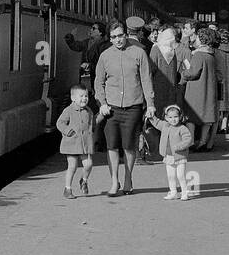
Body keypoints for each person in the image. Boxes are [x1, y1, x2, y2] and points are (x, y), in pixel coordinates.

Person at [94, 22, 156, 197]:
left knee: (129, 147)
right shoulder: (105, 56)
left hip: (133, 107)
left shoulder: (139, 53)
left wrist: (150, 104)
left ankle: (128, 178)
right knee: (112, 147)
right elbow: (98, 82)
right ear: (110, 38)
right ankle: (114, 181)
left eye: (120, 35)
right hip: (111, 109)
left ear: (126, 34)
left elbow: (146, 79)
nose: (118, 40)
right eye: (113, 37)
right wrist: (102, 103)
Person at [181, 25, 220, 151]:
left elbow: (193, 73)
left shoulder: (198, 55)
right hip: (209, 89)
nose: (195, 40)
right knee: (207, 118)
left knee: (191, 117)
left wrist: (184, 73)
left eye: (197, 38)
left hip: (196, 90)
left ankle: (191, 141)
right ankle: (203, 141)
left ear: (202, 40)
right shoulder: (211, 55)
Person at [55, 85, 96, 198]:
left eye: (86, 96)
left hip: (85, 144)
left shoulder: (89, 111)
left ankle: (84, 180)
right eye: (81, 96)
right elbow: (60, 123)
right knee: (72, 166)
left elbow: (93, 124)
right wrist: (68, 131)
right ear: (73, 98)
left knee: (88, 164)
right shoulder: (68, 110)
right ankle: (67, 189)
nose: (84, 98)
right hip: (72, 144)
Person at [146, 104, 194, 199]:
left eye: (175, 117)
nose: (173, 119)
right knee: (171, 176)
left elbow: (188, 140)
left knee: (180, 176)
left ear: (180, 117)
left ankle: (184, 192)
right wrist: (151, 117)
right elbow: (157, 123)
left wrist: (179, 146)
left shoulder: (182, 128)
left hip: (180, 156)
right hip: (168, 156)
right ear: (166, 118)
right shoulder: (165, 125)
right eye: (170, 117)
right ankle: (173, 192)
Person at [147, 25, 180, 157]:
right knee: (168, 118)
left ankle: (156, 149)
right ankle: (167, 147)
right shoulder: (173, 51)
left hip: (157, 88)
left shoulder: (156, 49)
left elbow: (150, 70)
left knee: (156, 118)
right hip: (171, 89)